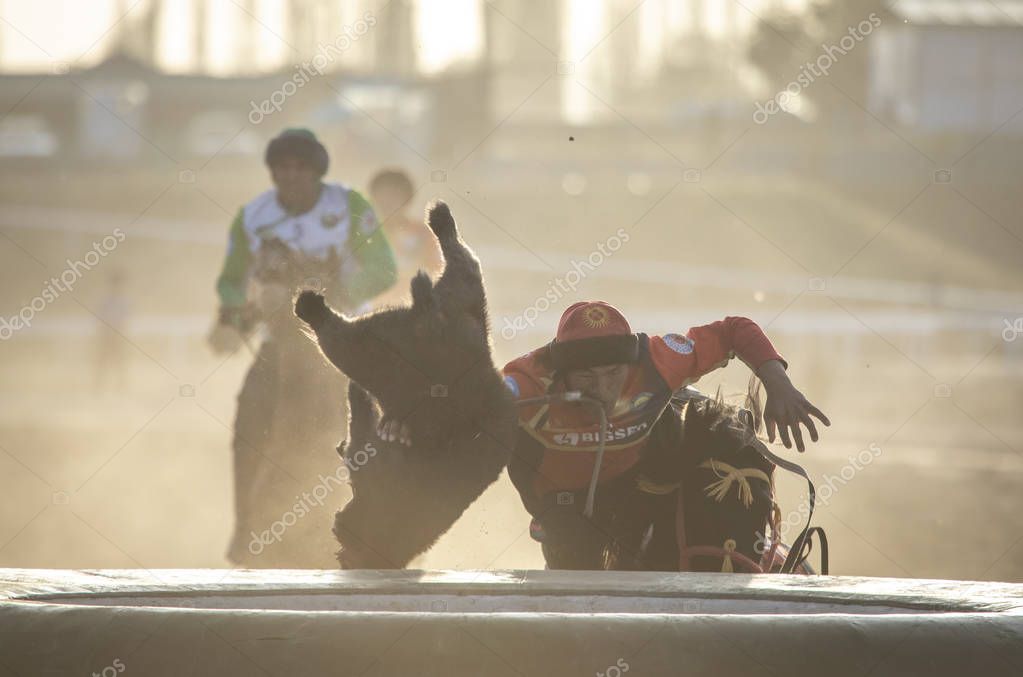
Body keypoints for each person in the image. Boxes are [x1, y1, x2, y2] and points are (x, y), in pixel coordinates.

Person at [501, 301, 830, 569]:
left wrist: (778, 383)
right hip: (565, 504)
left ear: (631, 363)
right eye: (586, 377)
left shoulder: (658, 360)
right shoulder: (525, 382)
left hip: (639, 480)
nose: (603, 392)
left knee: (721, 444)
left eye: (614, 375)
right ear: (561, 372)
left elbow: (734, 330)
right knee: (574, 552)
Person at [208, 128, 397, 564]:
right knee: (249, 426)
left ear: (317, 173)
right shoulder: (252, 217)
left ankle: (379, 530)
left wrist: (325, 295)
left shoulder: (348, 207)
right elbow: (233, 280)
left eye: (300, 168)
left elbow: (382, 268)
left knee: (370, 432)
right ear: (272, 173)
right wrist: (231, 317)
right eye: (282, 168)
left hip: (341, 341)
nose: (291, 176)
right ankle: (246, 531)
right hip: (278, 343)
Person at [368, 168, 442, 305]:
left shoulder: (423, 234)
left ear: (407, 199)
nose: (387, 202)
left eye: (394, 196)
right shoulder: (361, 233)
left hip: (411, 310)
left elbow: (438, 272)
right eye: (382, 196)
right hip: (367, 311)